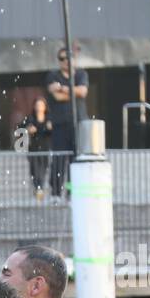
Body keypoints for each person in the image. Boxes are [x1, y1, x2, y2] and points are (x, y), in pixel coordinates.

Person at [46, 48, 87, 200]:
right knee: (59, 159)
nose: (65, 61)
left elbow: (83, 92)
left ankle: (72, 191)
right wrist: (73, 93)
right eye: (62, 58)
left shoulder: (81, 74)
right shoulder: (53, 75)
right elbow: (57, 96)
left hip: (78, 123)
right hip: (60, 124)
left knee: (75, 160)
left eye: (68, 58)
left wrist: (64, 88)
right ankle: (56, 192)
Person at [20, 96, 52, 200]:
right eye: (37, 105)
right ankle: (38, 188)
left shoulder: (49, 118)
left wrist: (50, 127)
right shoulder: (30, 118)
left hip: (45, 148)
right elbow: (20, 128)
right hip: (33, 149)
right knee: (34, 169)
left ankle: (40, 188)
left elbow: (53, 131)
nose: (39, 107)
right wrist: (28, 129)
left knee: (43, 168)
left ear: (45, 107)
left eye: (41, 105)